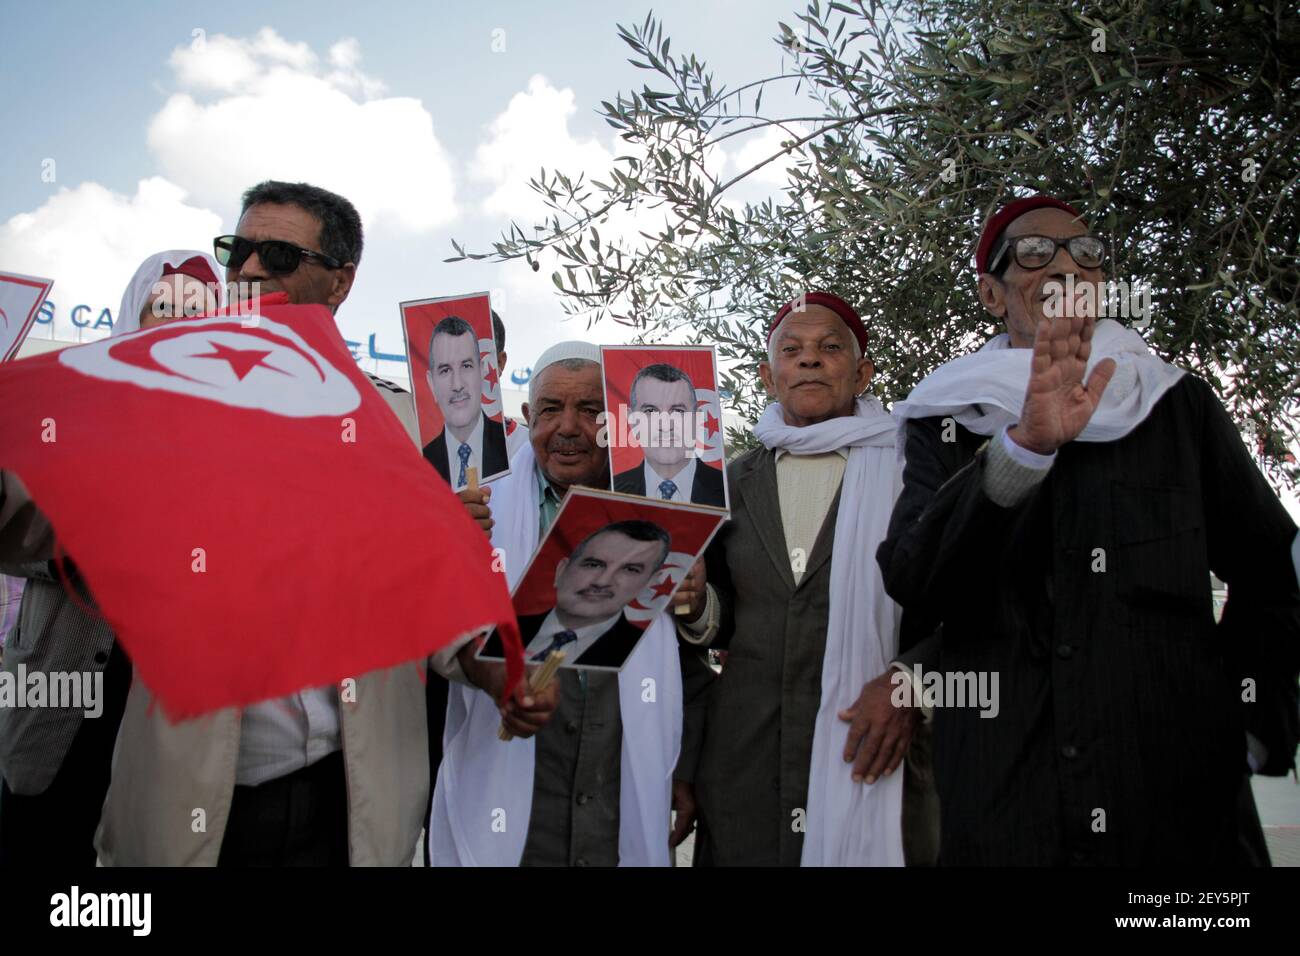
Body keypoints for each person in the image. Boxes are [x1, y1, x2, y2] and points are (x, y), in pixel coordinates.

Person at [877, 194, 1300, 865]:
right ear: (991, 294)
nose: (1066, 265)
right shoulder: (947, 417)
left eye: (1086, 252)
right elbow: (915, 578)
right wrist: (1021, 449)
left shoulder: (1175, 404)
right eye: (1035, 252)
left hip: (1179, 802)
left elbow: (1274, 571)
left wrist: (1247, 729)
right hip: (1006, 800)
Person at [91, 182, 432, 866]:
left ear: (340, 282)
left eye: (277, 256)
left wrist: (489, 668)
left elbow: (434, 591)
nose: (247, 271)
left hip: (348, 807)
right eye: (236, 251)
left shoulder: (404, 424)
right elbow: (33, 518)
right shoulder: (157, 398)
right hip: (198, 812)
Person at [678, 291, 939, 866]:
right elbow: (722, 615)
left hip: (873, 751)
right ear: (768, 376)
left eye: (829, 348)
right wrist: (696, 606)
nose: (810, 359)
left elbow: (967, 602)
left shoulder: (912, 473)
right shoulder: (727, 484)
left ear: (863, 373)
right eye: (791, 350)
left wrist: (911, 685)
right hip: (744, 770)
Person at [428, 341, 708, 866]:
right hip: (509, 778)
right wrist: (447, 547)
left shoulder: (664, 507)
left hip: (618, 789)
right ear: (528, 416)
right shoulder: (476, 507)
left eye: (591, 410)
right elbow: (435, 627)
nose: (570, 428)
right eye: (552, 409)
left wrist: (695, 600)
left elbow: (692, 657)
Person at [0, 249, 223, 867]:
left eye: (198, 310)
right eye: (164, 306)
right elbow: (12, 529)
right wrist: (78, 551)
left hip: (160, 703)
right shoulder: (71, 405)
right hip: (62, 680)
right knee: (39, 842)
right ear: (135, 312)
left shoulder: (231, 427)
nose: (180, 321)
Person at [481, 520, 670, 670]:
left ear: (650, 583)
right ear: (561, 570)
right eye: (593, 564)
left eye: (630, 569)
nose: (602, 581)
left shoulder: (642, 651)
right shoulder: (497, 635)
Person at [613, 364, 725, 507]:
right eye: (651, 411)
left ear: (697, 419)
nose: (665, 426)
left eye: (678, 411)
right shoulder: (612, 491)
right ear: (632, 420)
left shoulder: (729, 489)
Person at [421, 315, 508, 490]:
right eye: (445, 370)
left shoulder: (520, 449)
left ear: (482, 370)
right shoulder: (419, 461)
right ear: (431, 383)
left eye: (466, 366)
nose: (457, 385)